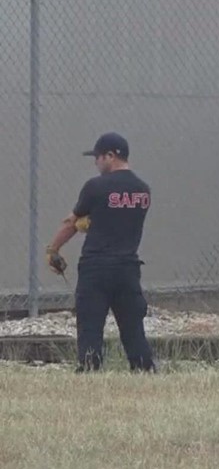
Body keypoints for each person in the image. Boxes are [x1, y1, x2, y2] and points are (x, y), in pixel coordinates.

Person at [45, 132, 157, 373]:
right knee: (133, 328)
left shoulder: (95, 187)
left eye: (97, 157)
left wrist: (53, 250)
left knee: (90, 326)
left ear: (110, 156)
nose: (95, 162)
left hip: (96, 268)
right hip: (128, 268)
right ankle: (143, 369)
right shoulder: (143, 190)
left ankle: (90, 369)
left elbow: (71, 223)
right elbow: (121, 219)